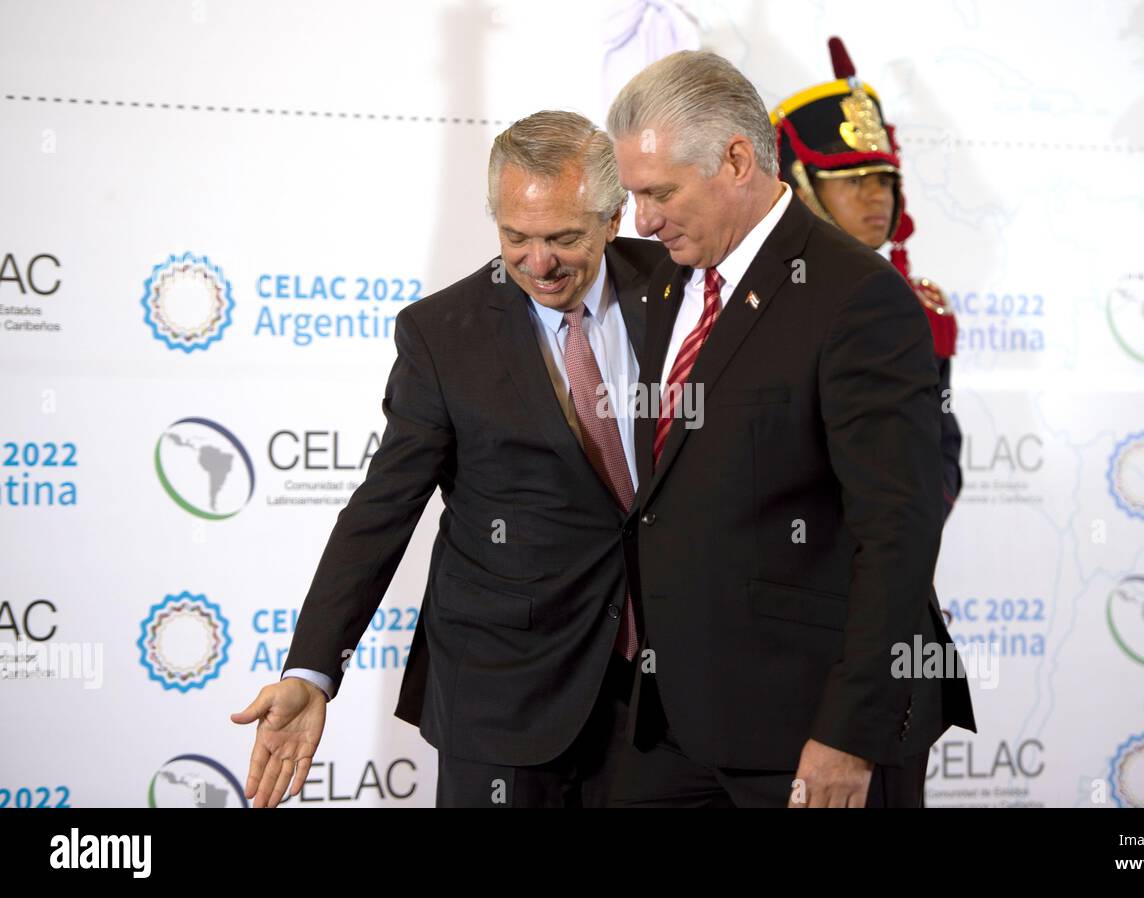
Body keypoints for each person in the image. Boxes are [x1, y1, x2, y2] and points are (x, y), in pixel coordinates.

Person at [230, 110, 667, 808]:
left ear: (615, 217)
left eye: (563, 237)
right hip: (506, 696)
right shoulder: (442, 335)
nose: (538, 262)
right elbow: (382, 511)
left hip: (666, 698)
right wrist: (312, 670)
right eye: (515, 236)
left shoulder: (683, 288)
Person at [606, 50, 976, 808]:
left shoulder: (859, 297)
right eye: (635, 196)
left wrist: (849, 732)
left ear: (737, 158)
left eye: (661, 192)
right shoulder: (659, 277)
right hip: (667, 726)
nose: (643, 220)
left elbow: (898, 531)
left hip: (806, 731)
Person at [772, 36, 963, 520]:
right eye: (853, 181)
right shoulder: (769, 300)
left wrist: (907, 527)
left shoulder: (919, 305)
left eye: (883, 180)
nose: (875, 196)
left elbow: (940, 437)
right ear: (803, 184)